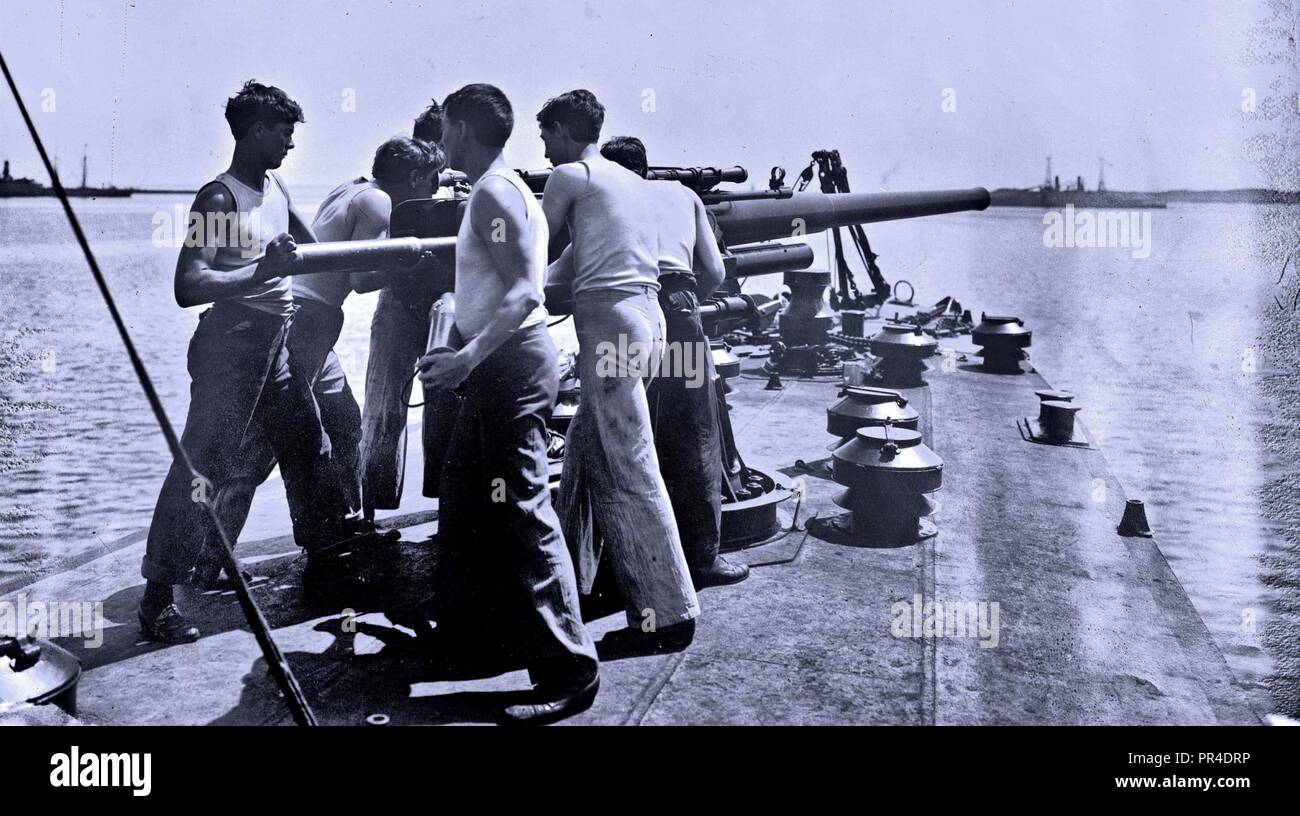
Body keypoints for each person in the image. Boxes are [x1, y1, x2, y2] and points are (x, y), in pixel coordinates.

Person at [138, 80, 388, 643]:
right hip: (230, 346)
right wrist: (262, 272)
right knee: (202, 469)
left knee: (309, 446)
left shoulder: (273, 187)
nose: (290, 145)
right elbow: (190, 282)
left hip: (278, 343)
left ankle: (330, 564)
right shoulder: (220, 198)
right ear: (255, 132)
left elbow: (313, 250)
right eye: (283, 133)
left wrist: (397, 248)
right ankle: (158, 600)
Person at [418, 84, 598, 723]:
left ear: (462, 130)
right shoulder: (505, 187)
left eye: (444, 128)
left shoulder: (495, 191)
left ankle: (571, 667)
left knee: (523, 510)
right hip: (495, 369)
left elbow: (525, 294)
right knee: (466, 497)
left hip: (510, 368)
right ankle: (472, 639)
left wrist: (464, 359)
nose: (439, 140)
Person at [196, 137, 445, 586]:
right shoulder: (380, 203)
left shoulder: (351, 188)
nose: (430, 192)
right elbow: (359, 276)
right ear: (413, 177)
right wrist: (413, 261)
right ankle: (211, 558)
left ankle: (334, 530)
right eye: (430, 181)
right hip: (307, 322)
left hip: (310, 315)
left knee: (345, 422)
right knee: (267, 444)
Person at [538, 89, 700, 651]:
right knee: (586, 452)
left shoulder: (571, 176)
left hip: (610, 331)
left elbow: (535, 247)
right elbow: (587, 256)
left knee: (630, 469)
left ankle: (669, 615)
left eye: (546, 135)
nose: (543, 147)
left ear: (563, 130)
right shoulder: (631, 183)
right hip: (648, 320)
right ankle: (570, 584)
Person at [598, 135, 749, 588]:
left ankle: (614, 556)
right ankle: (702, 558)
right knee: (695, 433)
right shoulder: (682, 195)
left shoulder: (603, 196)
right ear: (645, 168)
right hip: (678, 309)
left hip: (620, 312)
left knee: (623, 426)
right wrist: (683, 306)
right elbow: (718, 272)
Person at [357, 100, 461, 517]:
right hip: (399, 297)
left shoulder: (466, 182)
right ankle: (372, 505)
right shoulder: (401, 184)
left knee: (445, 400)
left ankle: (445, 498)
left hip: (444, 299)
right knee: (383, 401)